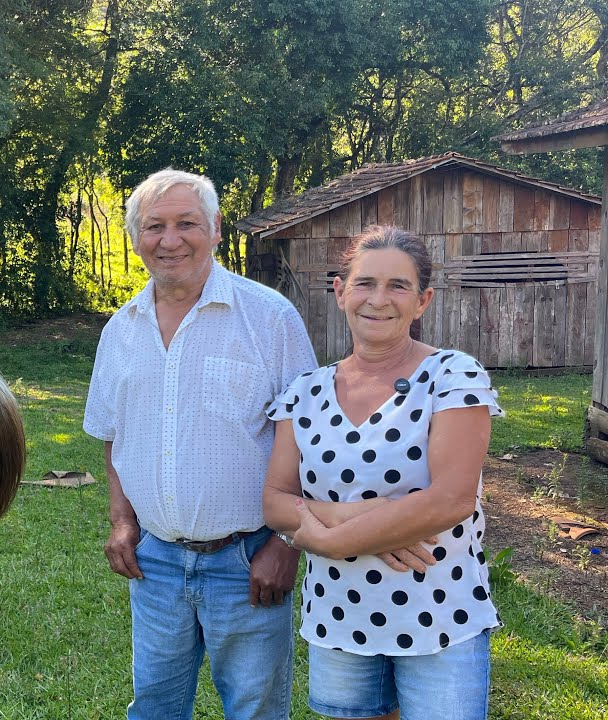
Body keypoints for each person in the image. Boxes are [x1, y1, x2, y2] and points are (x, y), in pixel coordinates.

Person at [83, 168, 317, 720]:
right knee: (155, 708)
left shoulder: (269, 318)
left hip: (248, 558)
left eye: (187, 223)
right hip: (155, 561)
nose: (170, 240)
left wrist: (287, 544)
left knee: (255, 711)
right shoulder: (121, 329)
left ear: (215, 229)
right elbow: (115, 434)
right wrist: (122, 521)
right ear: (136, 238)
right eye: (154, 226)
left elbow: (309, 436)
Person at [262, 225, 502, 720]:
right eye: (365, 283)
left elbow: (451, 499)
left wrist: (330, 540)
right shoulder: (304, 391)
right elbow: (275, 501)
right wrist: (360, 515)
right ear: (341, 292)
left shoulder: (453, 376)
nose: (378, 299)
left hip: (439, 613)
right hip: (340, 613)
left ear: (422, 301)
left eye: (398, 286)